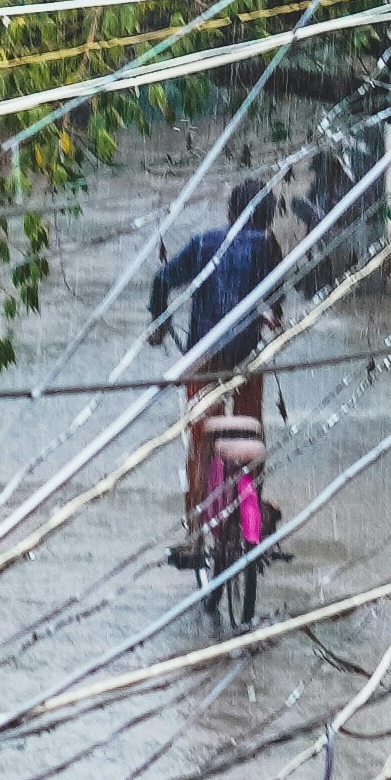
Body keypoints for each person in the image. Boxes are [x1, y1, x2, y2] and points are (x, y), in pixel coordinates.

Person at [151, 187, 279, 568]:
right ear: (268, 216)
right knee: (251, 430)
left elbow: (162, 279)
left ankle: (194, 538)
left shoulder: (204, 244)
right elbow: (276, 294)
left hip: (204, 356)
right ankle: (252, 520)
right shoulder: (267, 247)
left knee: (202, 443)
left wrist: (159, 323)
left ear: (229, 210)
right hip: (248, 356)